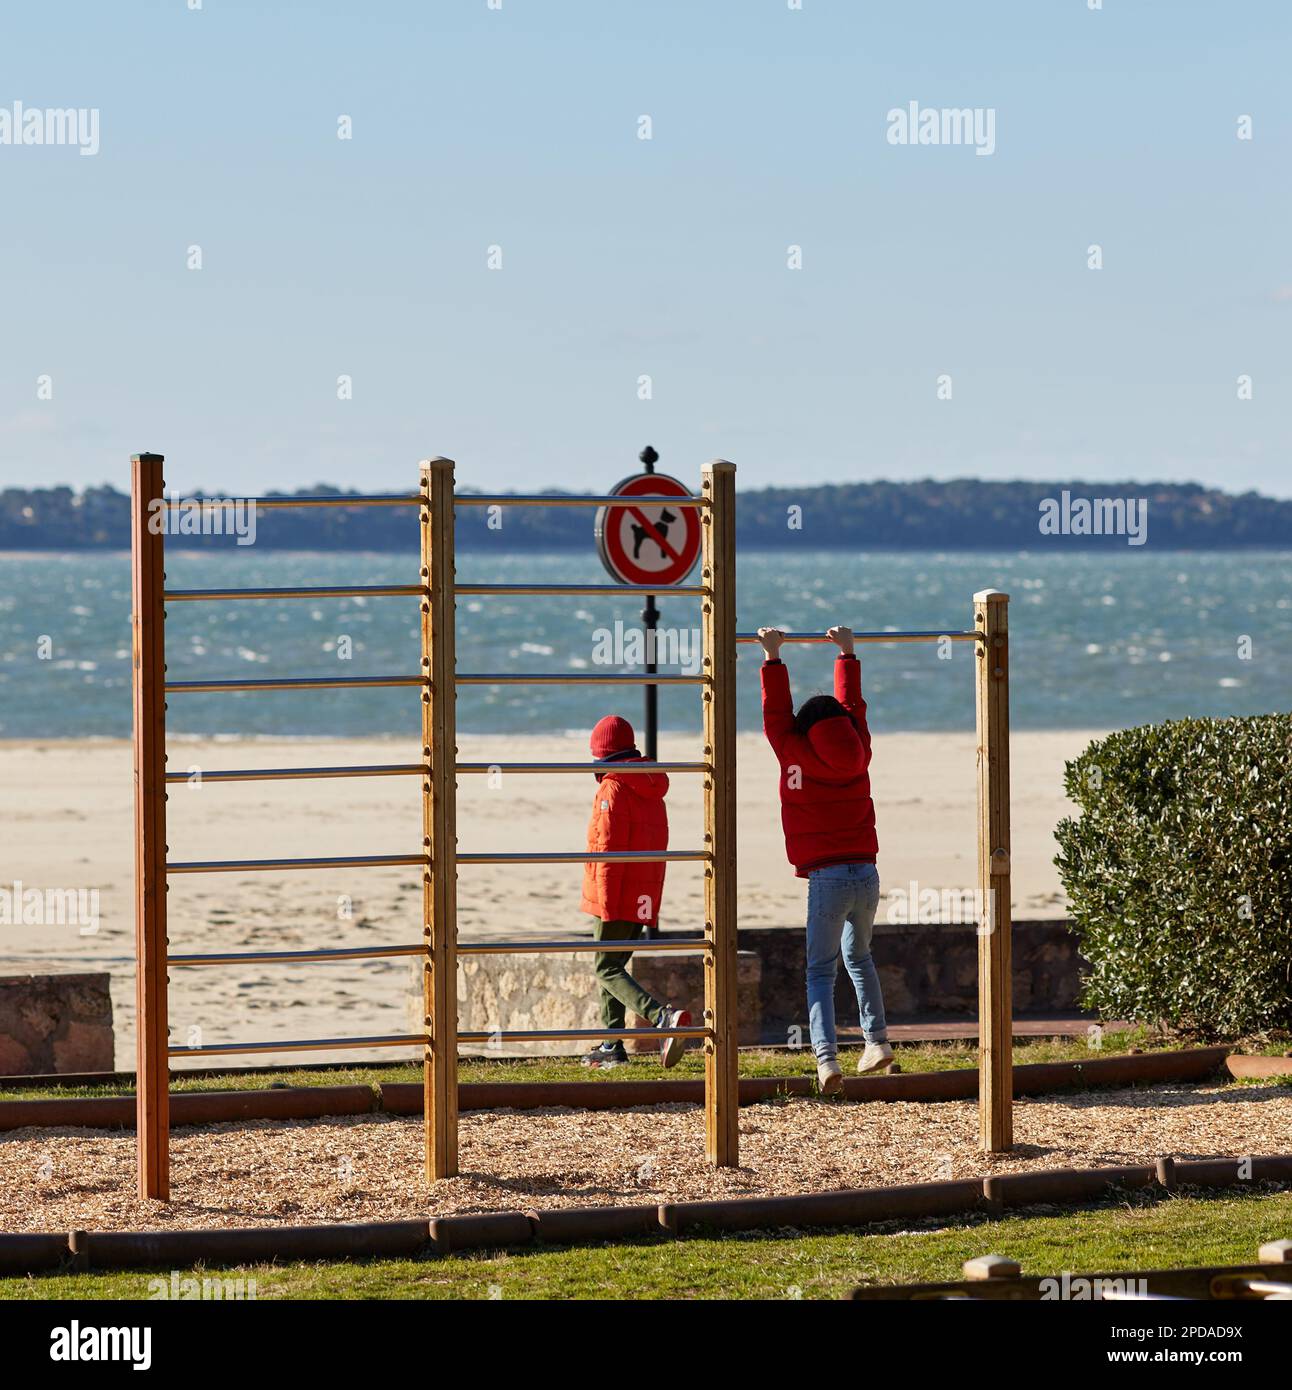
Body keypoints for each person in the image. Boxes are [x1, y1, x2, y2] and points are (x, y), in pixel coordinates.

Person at [756, 625, 892, 1093]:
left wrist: (773, 657)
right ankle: (876, 1042)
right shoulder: (861, 750)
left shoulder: (791, 749)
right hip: (867, 873)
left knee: (819, 970)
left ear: (803, 728)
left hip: (828, 877)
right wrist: (848, 654)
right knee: (860, 958)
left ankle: (826, 1060)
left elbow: (775, 715)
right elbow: (854, 708)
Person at [579, 714, 691, 1069]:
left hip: (616, 892)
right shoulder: (650, 787)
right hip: (643, 891)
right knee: (614, 965)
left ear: (602, 754)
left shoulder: (612, 788)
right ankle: (612, 1044)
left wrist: (608, 903)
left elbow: (607, 850)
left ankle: (662, 1018)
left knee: (605, 967)